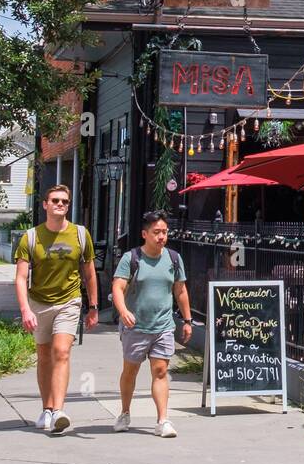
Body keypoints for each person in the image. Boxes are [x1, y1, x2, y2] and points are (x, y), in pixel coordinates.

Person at [14, 184, 98, 434]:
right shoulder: (30, 237)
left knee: (61, 352)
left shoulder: (80, 235)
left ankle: (59, 410)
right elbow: (20, 278)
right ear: (45, 205)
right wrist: (25, 310)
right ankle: (47, 408)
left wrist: (93, 306)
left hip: (69, 301)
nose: (60, 204)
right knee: (44, 356)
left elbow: (90, 273)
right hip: (39, 302)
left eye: (64, 201)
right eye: (55, 200)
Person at [111, 211, 193, 438]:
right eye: (156, 232)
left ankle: (162, 420)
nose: (161, 237)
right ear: (145, 234)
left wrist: (187, 320)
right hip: (136, 326)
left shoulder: (174, 259)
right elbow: (117, 287)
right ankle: (125, 412)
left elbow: (180, 290)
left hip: (163, 325)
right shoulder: (132, 258)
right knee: (130, 371)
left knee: (160, 371)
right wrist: (123, 310)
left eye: (165, 232)